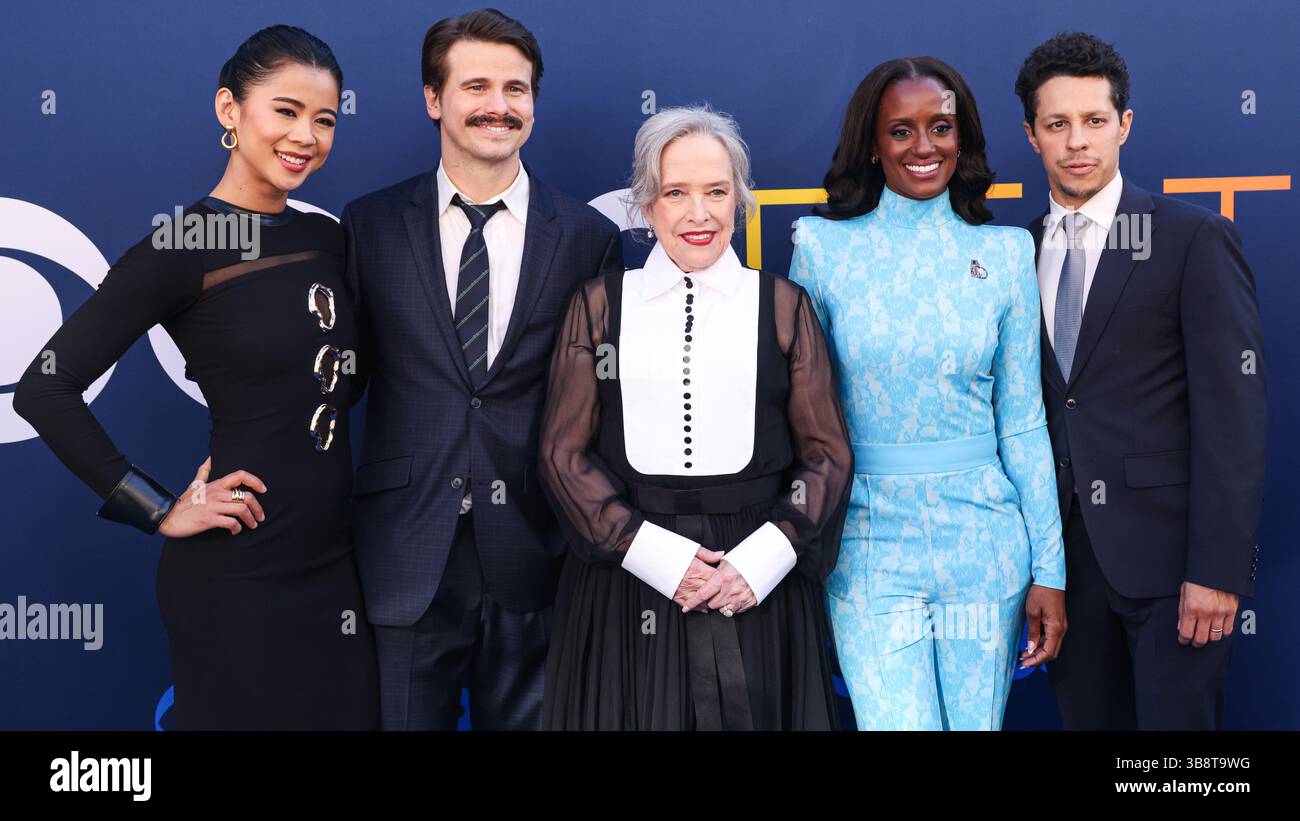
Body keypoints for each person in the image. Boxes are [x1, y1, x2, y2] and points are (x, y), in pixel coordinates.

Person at [13, 26, 379, 730]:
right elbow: (43, 387)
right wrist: (155, 505)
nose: (306, 135)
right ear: (229, 110)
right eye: (286, 110)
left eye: (325, 118)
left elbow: (345, 384)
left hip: (336, 571)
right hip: (237, 576)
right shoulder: (181, 245)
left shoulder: (328, 238)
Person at [341, 8, 622, 730]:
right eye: (476, 86)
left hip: (537, 551)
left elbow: (604, 407)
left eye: (516, 89)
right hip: (406, 553)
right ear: (434, 99)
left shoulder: (587, 237)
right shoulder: (368, 226)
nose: (499, 105)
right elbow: (338, 384)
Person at [539, 106, 853, 730]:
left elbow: (827, 455)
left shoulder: (785, 306)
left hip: (756, 584)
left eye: (716, 191)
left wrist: (760, 562)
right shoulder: (599, 304)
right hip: (628, 585)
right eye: (675, 193)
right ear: (646, 204)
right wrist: (655, 557)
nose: (699, 213)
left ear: (740, 199)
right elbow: (561, 455)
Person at [790, 57, 1067, 730]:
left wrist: (1049, 569)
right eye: (901, 130)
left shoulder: (1004, 255)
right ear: (872, 143)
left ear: (962, 137)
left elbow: (1024, 423)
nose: (923, 147)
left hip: (985, 541)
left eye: (940, 127)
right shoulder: (822, 248)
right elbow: (804, 421)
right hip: (865, 543)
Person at [1015, 32, 1268, 730]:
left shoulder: (1192, 239)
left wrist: (1217, 569)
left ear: (1124, 125)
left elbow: (1234, 417)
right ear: (1031, 135)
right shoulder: (1016, 252)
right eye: (1057, 123)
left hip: (1174, 568)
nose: (1077, 141)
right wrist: (1041, 567)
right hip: (1066, 570)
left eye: (1095, 121)